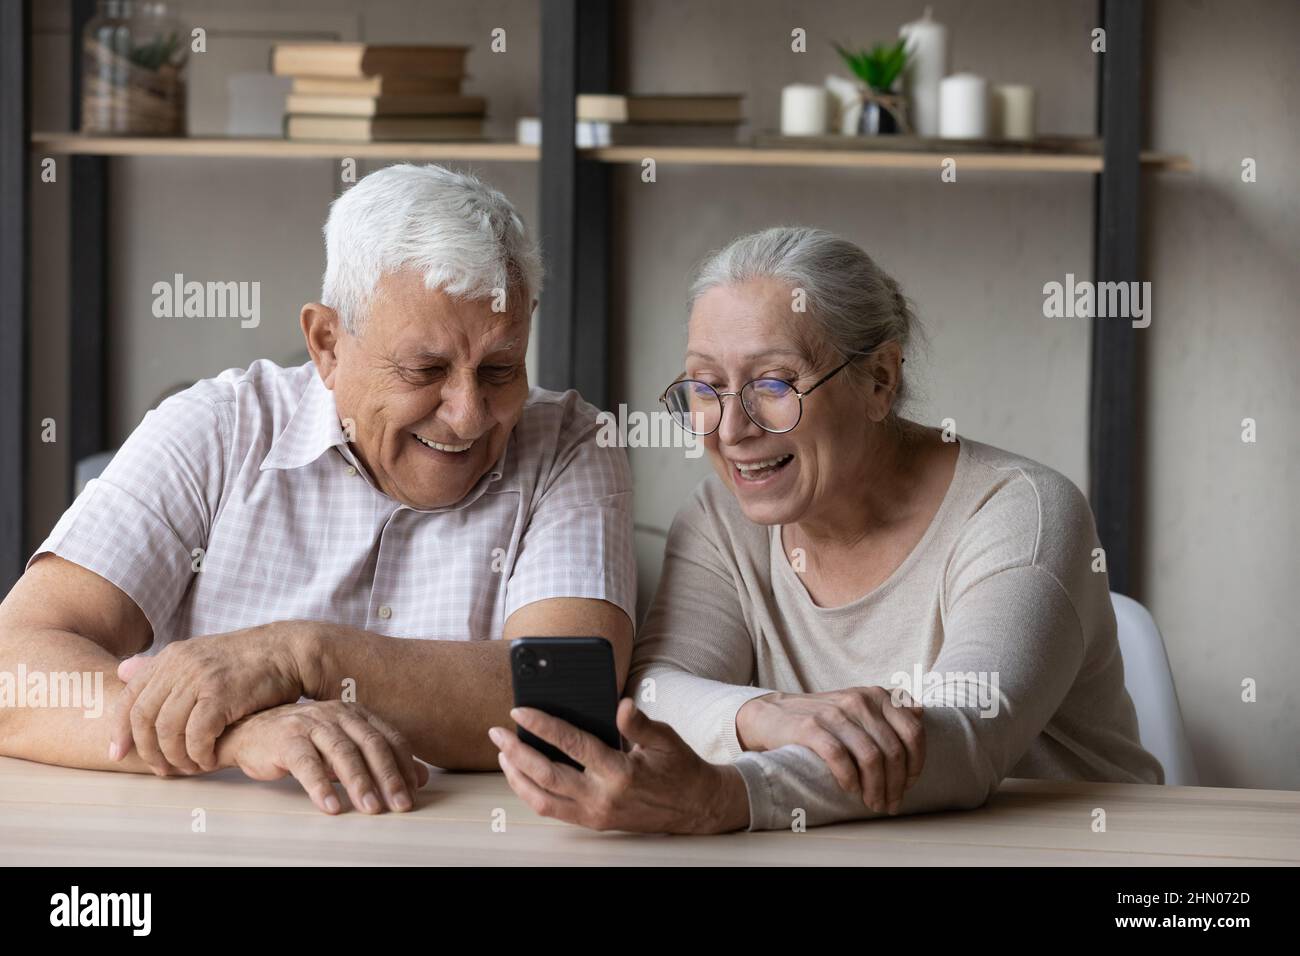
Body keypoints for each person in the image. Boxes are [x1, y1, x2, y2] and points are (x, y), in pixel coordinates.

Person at [0, 163, 636, 816]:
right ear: (326, 342)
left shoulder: (571, 443)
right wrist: (235, 734)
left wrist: (302, 656)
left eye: (501, 369)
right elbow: (15, 673)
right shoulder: (214, 428)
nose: (470, 413)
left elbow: (571, 696)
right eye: (426, 369)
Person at [490, 225, 1163, 833]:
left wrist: (728, 797)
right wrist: (769, 713)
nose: (731, 429)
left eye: (774, 385)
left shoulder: (1022, 512)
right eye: (705, 387)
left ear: (878, 379)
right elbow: (658, 689)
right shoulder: (722, 517)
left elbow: (963, 741)